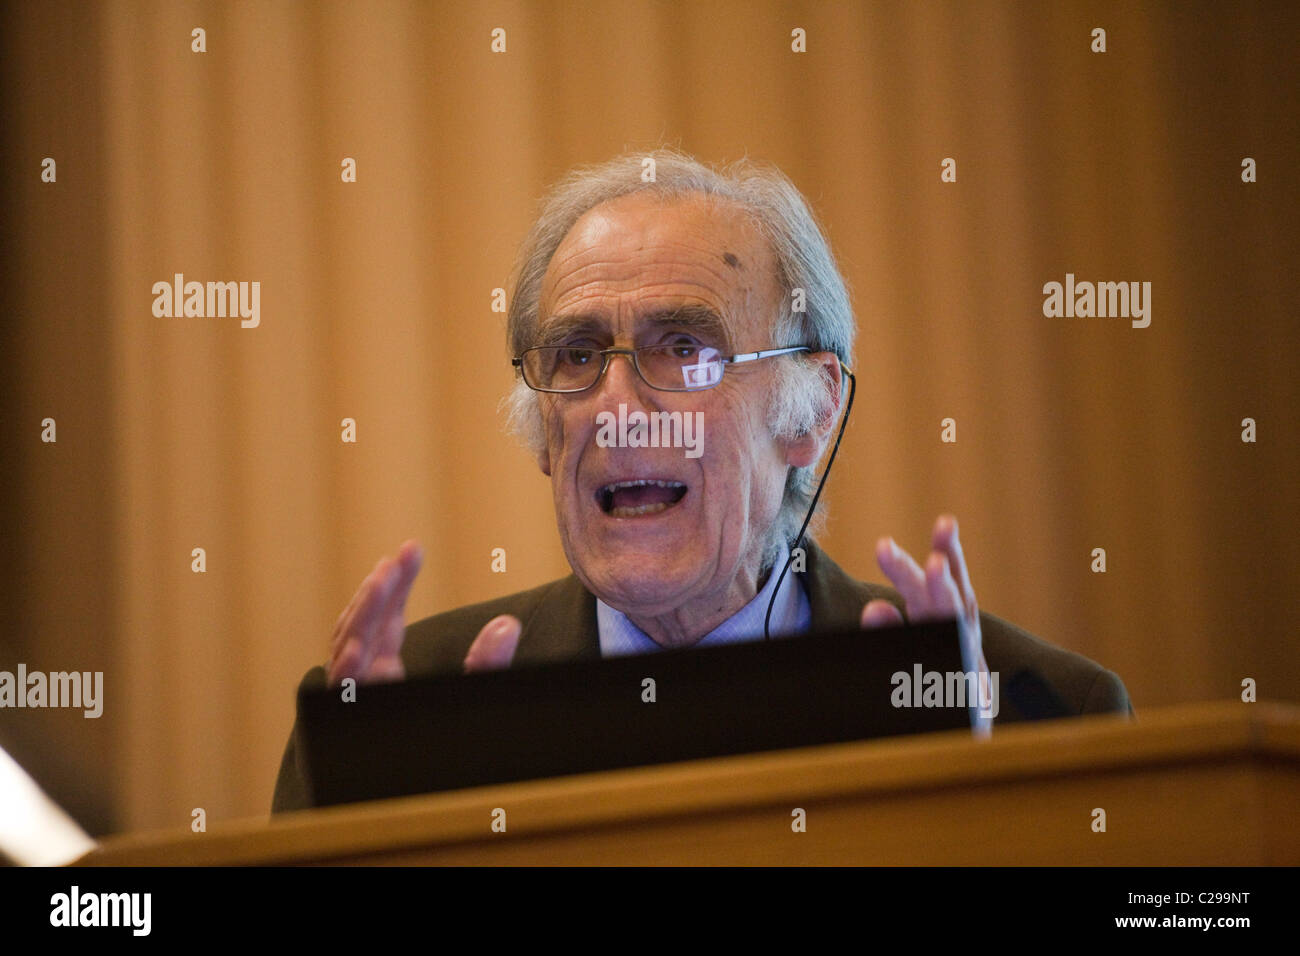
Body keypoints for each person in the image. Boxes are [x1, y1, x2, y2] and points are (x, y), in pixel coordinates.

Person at [272, 150, 1131, 813]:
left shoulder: (1039, 717)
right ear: (543, 431)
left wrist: (979, 827)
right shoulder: (392, 725)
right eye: (575, 357)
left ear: (810, 412)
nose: (616, 406)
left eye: (684, 349)